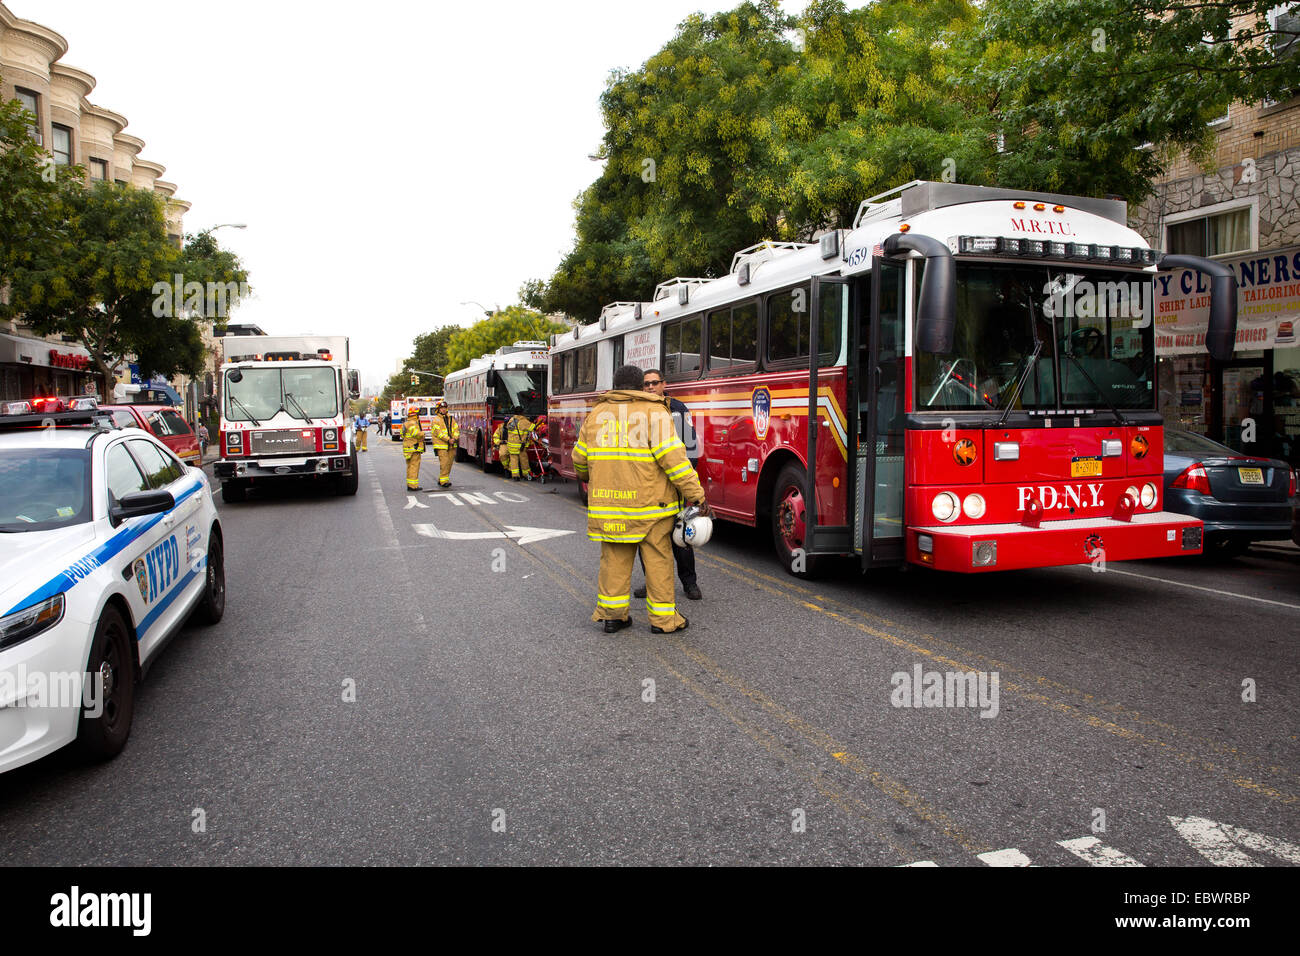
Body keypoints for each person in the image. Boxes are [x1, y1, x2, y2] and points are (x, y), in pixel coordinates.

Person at [573, 364, 710, 635]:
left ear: (615, 385)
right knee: (658, 561)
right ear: (640, 386)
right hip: (651, 508)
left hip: (609, 508)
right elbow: (675, 461)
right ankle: (663, 621)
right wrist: (697, 496)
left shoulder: (597, 414)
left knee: (614, 561)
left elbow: (579, 459)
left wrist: (595, 476)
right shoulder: (655, 413)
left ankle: (613, 617)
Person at [635, 368, 703, 601]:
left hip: (674, 484)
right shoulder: (637, 410)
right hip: (648, 485)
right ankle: (651, 583)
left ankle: (690, 583)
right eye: (646, 384)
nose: (651, 387)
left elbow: (691, 448)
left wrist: (687, 482)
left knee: (681, 536)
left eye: (655, 383)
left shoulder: (678, 409)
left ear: (664, 384)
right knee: (649, 538)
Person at [429, 399, 460, 488]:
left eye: (444, 408)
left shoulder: (451, 418)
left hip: (451, 444)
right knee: (444, 463)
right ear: (438, 409)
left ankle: (442, 479)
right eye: (441, 408)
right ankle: (444, 481)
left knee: (449, 463)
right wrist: (448, 439)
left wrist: (454, 438)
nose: (443, 409)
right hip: (441, 445)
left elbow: (456, 429)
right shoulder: (436, 420)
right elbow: (438, 433)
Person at [503, 408, 535, 481]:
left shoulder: (511, 420)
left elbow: (508, 428)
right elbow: (533, 427)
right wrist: (532, 421)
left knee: (514, 460)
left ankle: (515, 476)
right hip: (520, 445)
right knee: (524, 460)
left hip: (511, 444)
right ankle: (526, 474)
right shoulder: (524, 421)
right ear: (522, 413)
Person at [402, 406, 424, 490]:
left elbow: (402, 434)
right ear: (415, 414)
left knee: (410, 466)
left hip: (409, 448)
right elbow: (416, 433)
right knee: (414, 466)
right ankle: (413, 486)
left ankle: (410, 484)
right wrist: (423, 434)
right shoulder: (412, 423)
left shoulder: (407, 422)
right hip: (414, 448)